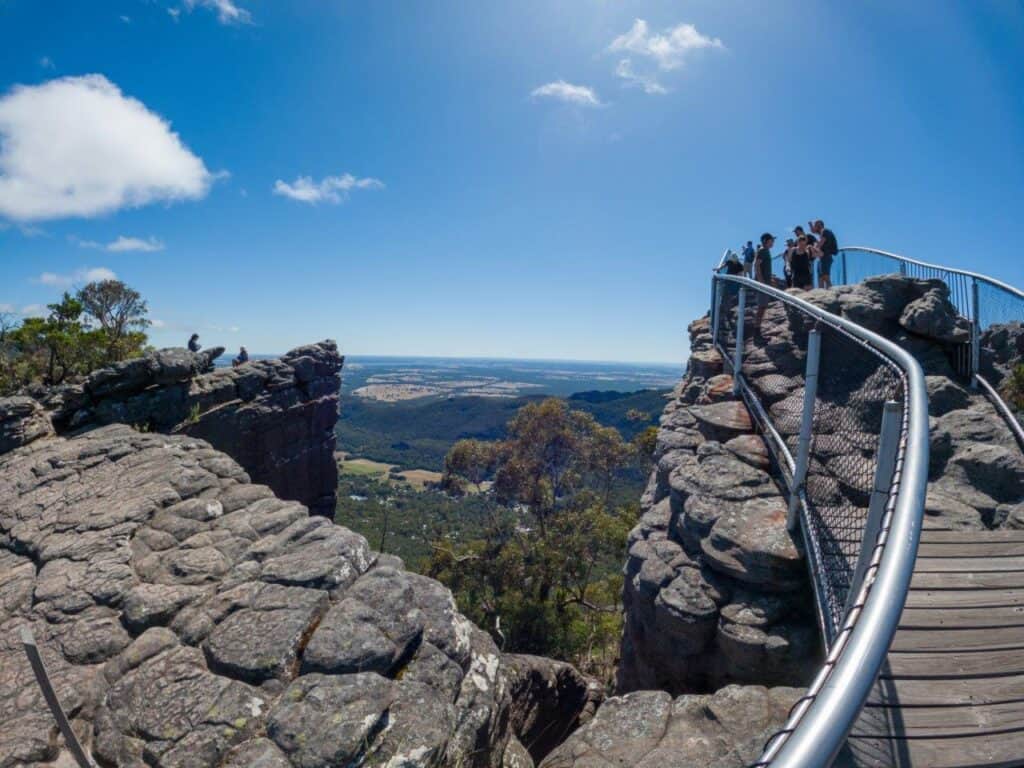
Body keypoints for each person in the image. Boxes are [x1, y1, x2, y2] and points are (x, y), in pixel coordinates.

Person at [754, 232, 775, 331]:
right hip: (762, 283)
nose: (773, 242)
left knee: (763, 306)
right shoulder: (762, 250)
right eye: (771, 240)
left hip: (765, 282)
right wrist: (761, 281)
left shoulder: (766, 251)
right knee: (761, 306)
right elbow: (757, 265)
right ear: (766, 241)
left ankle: (757, 327)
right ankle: (757, 329)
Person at [811, 219, 838, 289]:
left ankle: (830, 292)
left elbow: (821, 243)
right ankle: (822, 294)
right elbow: (813, 231)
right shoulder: (822, 233)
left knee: (825, 277)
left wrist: (813, 248)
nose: (814, 227)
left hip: (826, 256)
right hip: (822, 257)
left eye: (815, 225)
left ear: (819, 225)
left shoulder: (825, 231)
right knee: (820, 278)